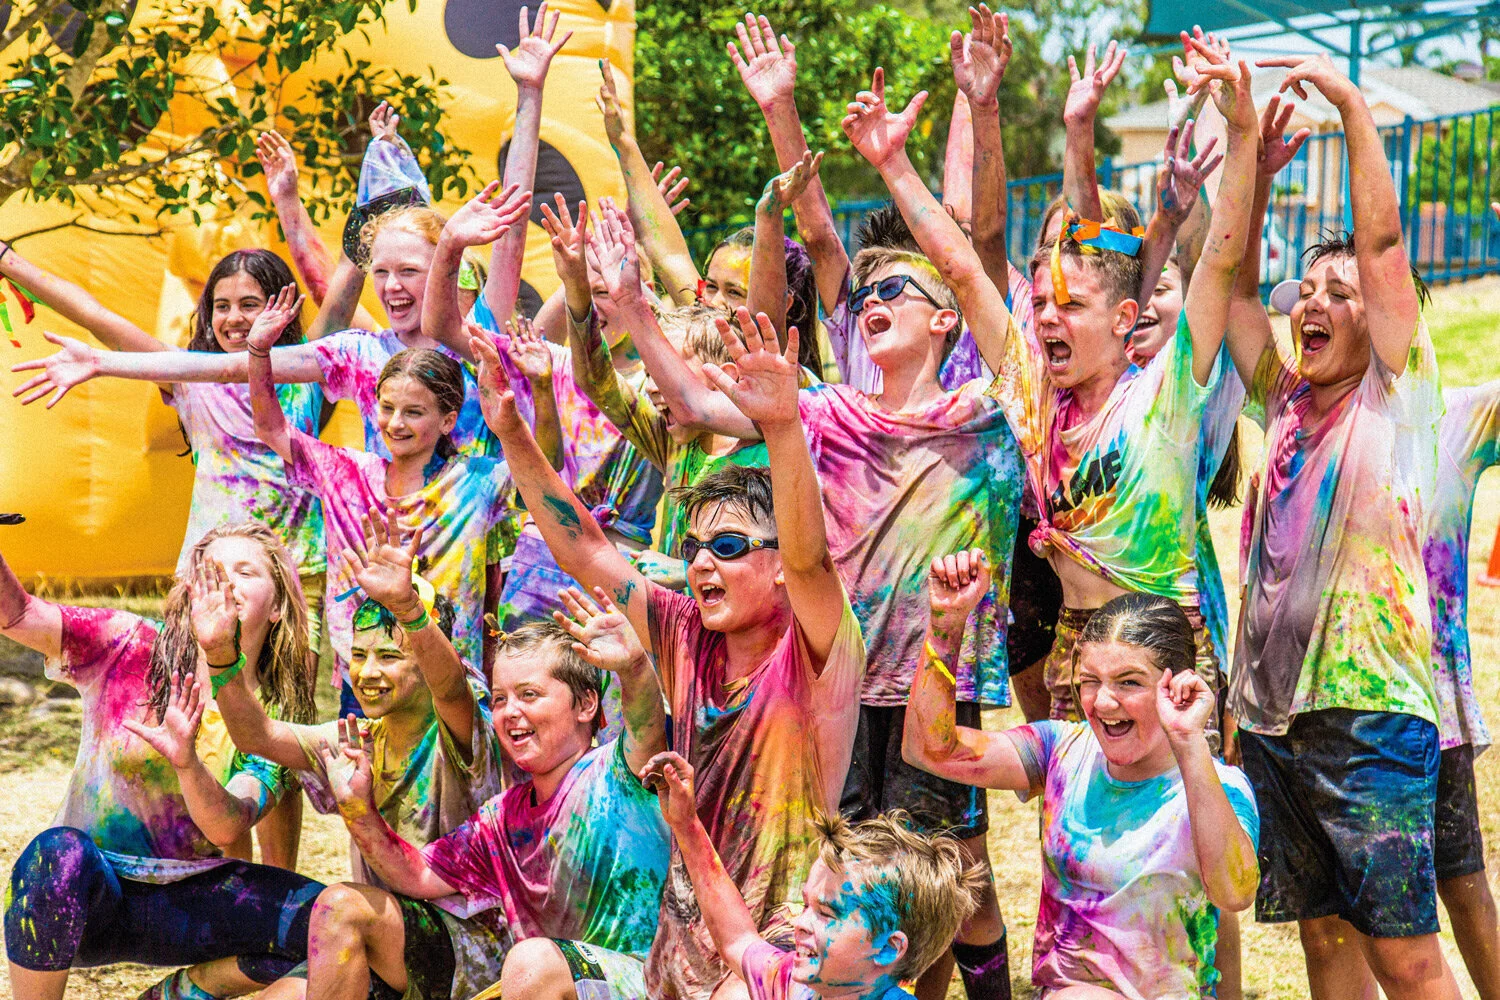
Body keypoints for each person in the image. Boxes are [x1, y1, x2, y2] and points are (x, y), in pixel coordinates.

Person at [847, 35, 1253, 748]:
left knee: (1167, 843)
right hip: (1073, 652)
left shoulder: (1164, 397)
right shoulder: (1035, 394)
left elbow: (1220, 262)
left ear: (1125, 319)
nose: (1045, 317)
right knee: (1075, 841)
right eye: (1038, 304)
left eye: (1069, 305)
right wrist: (892, 162)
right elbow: (963, 265)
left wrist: (1243, 131)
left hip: (1163, 650)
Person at [471, 306, 866, 1000]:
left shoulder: (817, 654)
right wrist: (511, 433)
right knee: (533, 969)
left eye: (731, 547)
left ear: (776, 566)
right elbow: (586, 547)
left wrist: (781, 428)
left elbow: (809, 562)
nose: (705, 564)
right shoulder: (685, 635)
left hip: (772, 961)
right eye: (695, 548)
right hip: (672, 959)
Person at [1223, 51, 1462, 1000]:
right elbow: (1239, 298)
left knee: (1403, 953)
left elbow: (1387, 248)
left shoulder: (1396, 394)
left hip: (1369, 717)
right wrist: (1259, 164)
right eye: (1306, 294)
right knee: (1324, 942)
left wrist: (1354, 106)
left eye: (1339, 292)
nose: (1312, 306)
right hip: (1271, 716)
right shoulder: (1284, 400)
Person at [905, 557, 1260, 998]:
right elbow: (931, 749)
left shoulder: (1218, 788)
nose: (1105, 703)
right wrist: (945, 626)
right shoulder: (1061, 752)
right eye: (1091, 681)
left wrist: (1189, 744)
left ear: (1177, 685)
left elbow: (1234, 894)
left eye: (1129, 682)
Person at [1, 524, 322, 1000]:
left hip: (193, 906)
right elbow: (21, 614)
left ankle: (180, 993)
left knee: (328, 922)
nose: (226, 581)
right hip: (94, 893)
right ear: (189, 590)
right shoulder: (128, 645)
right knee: (55, 853)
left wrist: (188, 764)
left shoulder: (274, 716)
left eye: (245, 571)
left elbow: (228, 827)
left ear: (277, 607)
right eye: (212, 570)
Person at [305, 589, 670, 1000]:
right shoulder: (501, 819)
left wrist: (636, 667)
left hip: (649, 983)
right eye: (499, 699)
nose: (510, 711)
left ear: (586, 704)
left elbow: (645, 721)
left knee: (533, 963)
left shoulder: (618, 773)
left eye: (529, 695)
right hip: (541, 977)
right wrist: (357, 807)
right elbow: (414, 874)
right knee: (339, 904)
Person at [216, 507, 506, 1000]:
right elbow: (257, 736)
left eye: (389, 656)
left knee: (338, 907)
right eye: (359, 654)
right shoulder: (356, 737)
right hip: (386, 939)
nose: (367, 671)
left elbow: (450, 686)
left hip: (470, 952)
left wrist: (408, 607)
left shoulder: (460, 731)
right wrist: (220, 654)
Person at [245, 287, 514, 694]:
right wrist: (258, 353)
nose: (396, 423)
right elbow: (270, 428)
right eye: (387, 408)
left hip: (449, 682)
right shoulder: (347, 473)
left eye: (414, 412)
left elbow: (545, 463)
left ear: (448, 420)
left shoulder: (478, 481)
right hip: (366, 676)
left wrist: (521, 391)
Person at [536, 196, 768, 589]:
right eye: (652, 372)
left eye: (669, 373)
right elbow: (597, 381)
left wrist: (684, 570)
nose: (654, 387)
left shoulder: (766, 448)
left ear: (722, 374)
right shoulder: (675, 445)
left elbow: (783, 555)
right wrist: (576, 285)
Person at [644, 747, 987, 1000]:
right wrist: (687, 824)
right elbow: (737, 940)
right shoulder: (795, 986)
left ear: (887, 948)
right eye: (807, 905)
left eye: (826, 912)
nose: (800, 922)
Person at [1422, 377, 1500, 998]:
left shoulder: (1455, 419)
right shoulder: (1301, 418)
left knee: (1461, 880)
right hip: (1326, 708)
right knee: (1341, 914)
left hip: (1427, 704)